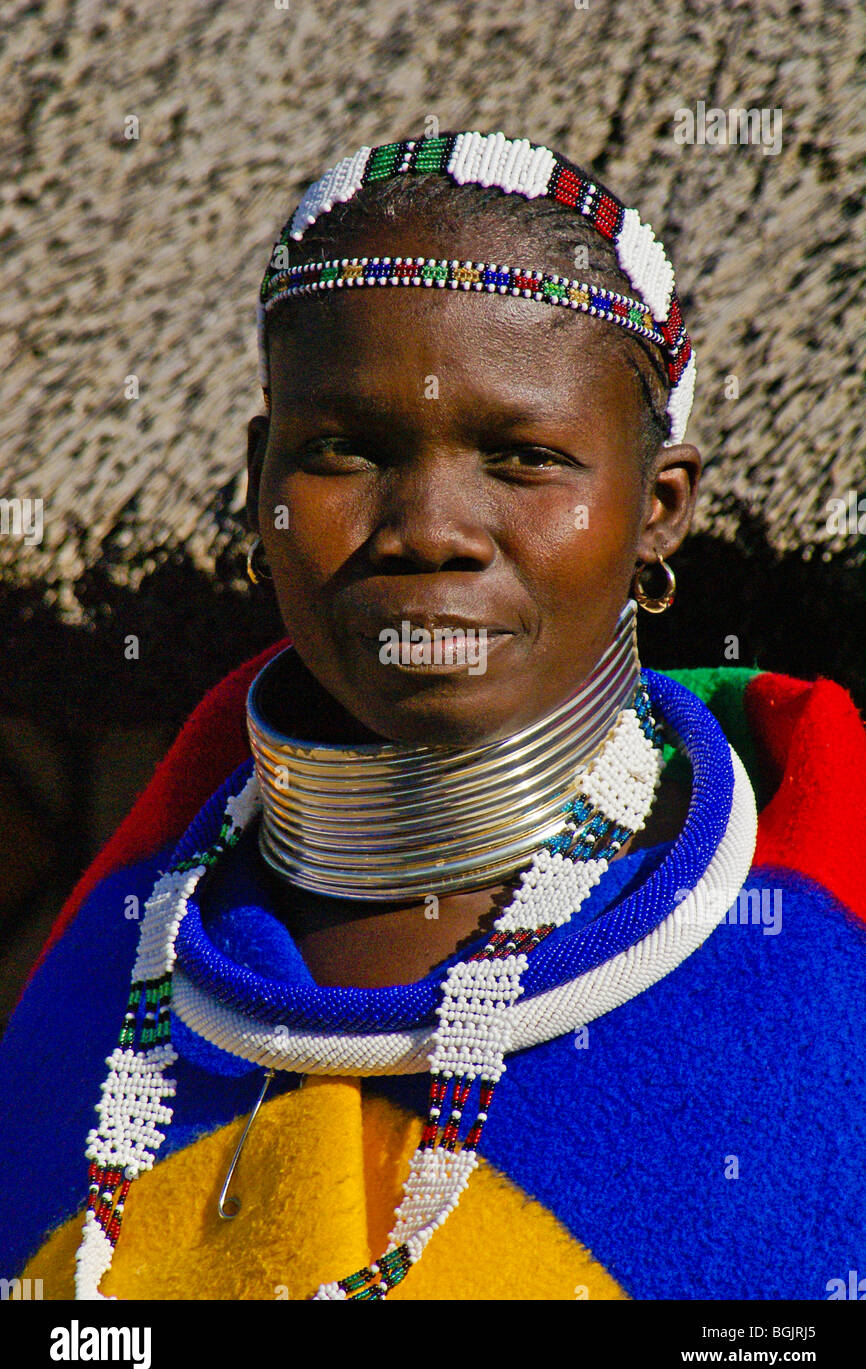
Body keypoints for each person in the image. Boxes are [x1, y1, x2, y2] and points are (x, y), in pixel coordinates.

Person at [2, 130, 864, 1302]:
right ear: (261, 484)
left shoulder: (810, 969)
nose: (428, 528)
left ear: (658, 509)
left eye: (521, 458)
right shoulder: (108, 985)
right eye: (343, 449)